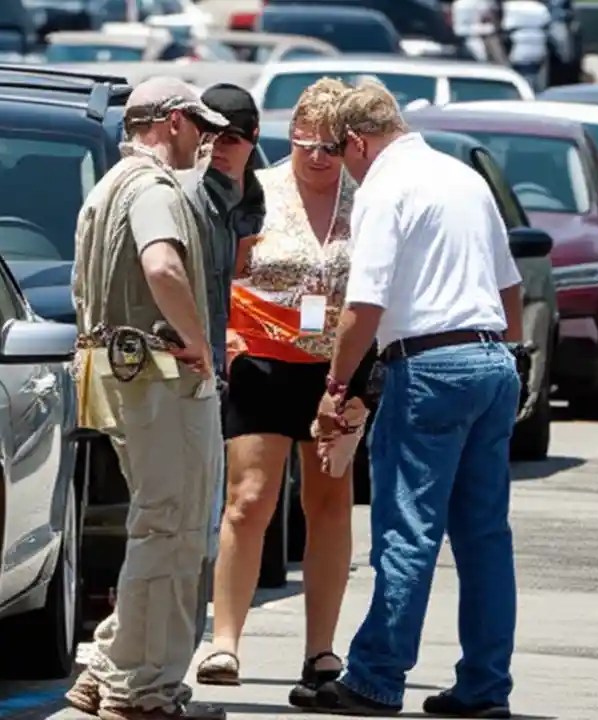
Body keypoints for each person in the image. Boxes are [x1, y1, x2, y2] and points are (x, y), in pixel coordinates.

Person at [311, 78, 523, 718]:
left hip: (429, 368)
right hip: (491, 359)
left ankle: (376, 676)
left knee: (407, 531)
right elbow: (510, 288)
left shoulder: (385, 186)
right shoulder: (462, 177)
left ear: (358, 141)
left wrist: (336, 386)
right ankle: (485, 686)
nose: (344, 169)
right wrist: (503, 353)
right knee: (485, 536)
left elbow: (364, 305)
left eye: (340, 152)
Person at [193, 77, 373, 708]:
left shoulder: (367, 200)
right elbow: (220, 269)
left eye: (330, 146)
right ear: (287, 139)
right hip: (262, 361)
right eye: (304, 144)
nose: (318, 158)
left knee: (329, 504)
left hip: (337, 370)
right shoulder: (258, 193)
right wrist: (222, 334)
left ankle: (321, 648)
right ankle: (224, 642)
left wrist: (362, 380)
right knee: (249, 500)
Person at [66, 75, 231, 720]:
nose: (206, 140)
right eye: (200, 125)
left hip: (117, 372)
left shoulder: (107, 184)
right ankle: (144, 690)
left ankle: (110, 666)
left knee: (157, 524)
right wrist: (198, 344)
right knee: (173, 529)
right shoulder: (154, 187)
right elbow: (162, 265)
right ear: (170, 122)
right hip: (159, 375)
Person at [180, 83, 265, 581]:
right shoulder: (188, 196)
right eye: (209, 134)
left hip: (258, 357)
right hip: (202, 357)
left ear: (253, 137)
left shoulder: (270, 200)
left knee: (246, 491)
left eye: (231, 136)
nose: (220, 146)